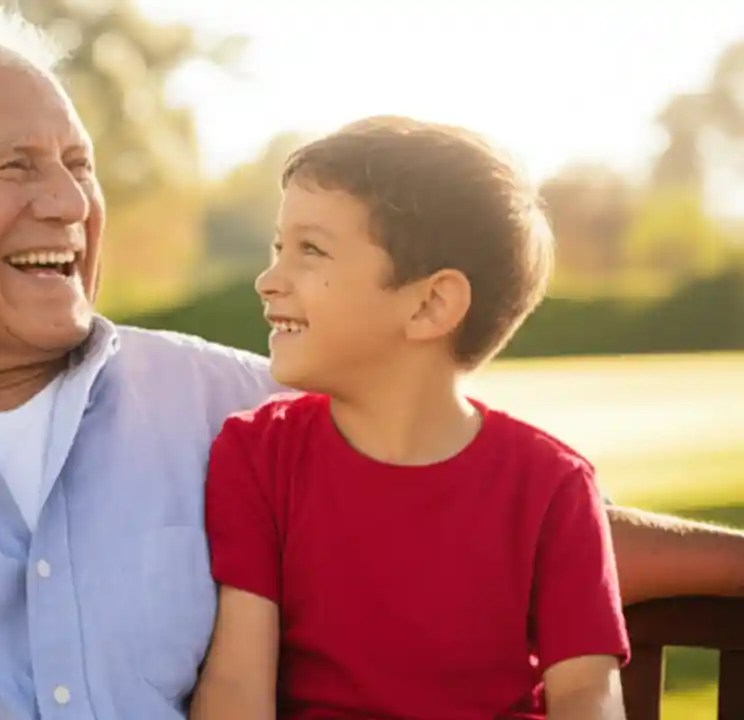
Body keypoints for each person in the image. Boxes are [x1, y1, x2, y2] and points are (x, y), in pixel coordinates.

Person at [0, 6, 744, 719]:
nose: (65, 201)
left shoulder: (238, 409)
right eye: (10, 166)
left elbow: (490, 509)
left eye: (75, 162)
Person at [191, 117, 627, 720]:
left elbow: (587, 693)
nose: (268, 281)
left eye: (310, 250)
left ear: (430, 304)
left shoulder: (552, 486)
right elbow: (238, 687)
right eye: (277, 248)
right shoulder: (257, 457)